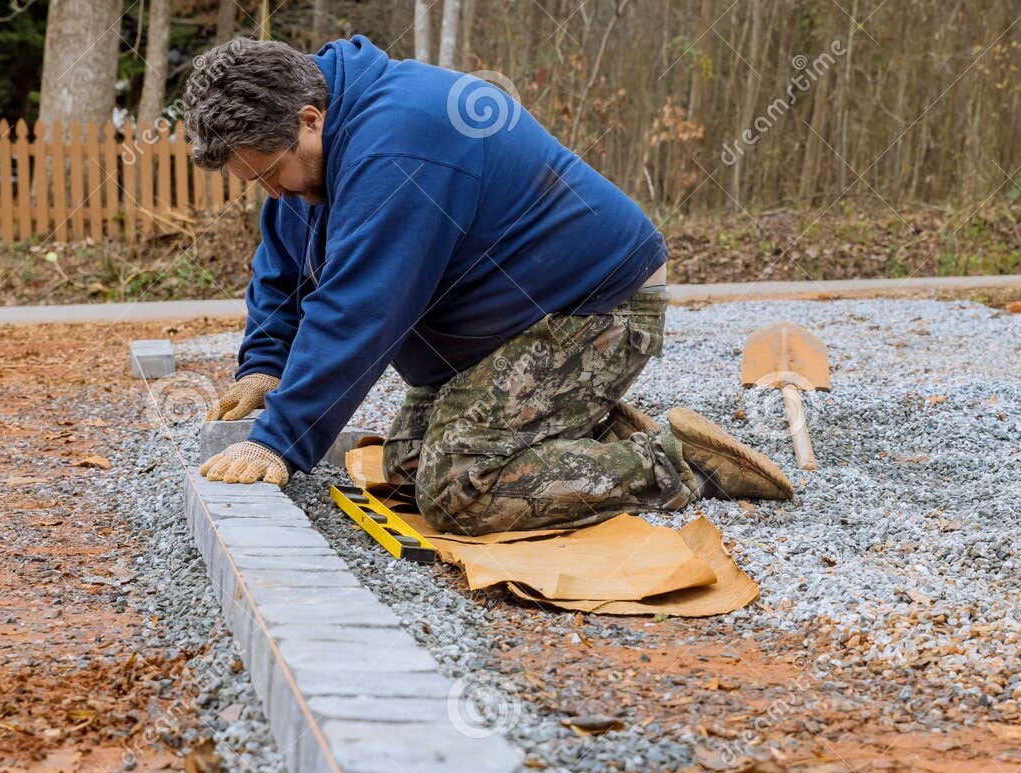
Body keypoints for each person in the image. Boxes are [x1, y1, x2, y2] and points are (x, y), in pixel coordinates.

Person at [184, 35, 791, 535]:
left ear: (308, 120)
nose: (273, 193)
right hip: (515, 323)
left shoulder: (397, 148)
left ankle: (676, 465)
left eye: (270, 174)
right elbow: (284, 263)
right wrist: (264, 367)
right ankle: (587, 427)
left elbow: (358, 308)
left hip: (595, 306)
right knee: (410, 462)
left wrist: (280, 443)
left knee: (458, 492)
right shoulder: (317, 145)